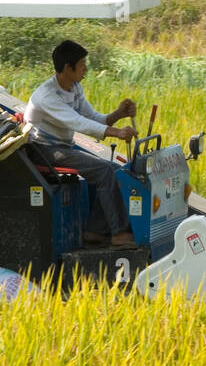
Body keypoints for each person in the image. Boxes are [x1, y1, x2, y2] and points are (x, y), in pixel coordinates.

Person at [24, 40, 138, 248]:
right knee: (105, 170)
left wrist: (119, 115)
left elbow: (92, 118)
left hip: (62, 147)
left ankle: (95, 231)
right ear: (68, 67)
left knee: (117, 170)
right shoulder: (47, 96)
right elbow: (78, 123)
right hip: (43, 150)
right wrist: (118, 133)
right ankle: (119, 233)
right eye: (83, 64)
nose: (86, 69)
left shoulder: (74, 88)